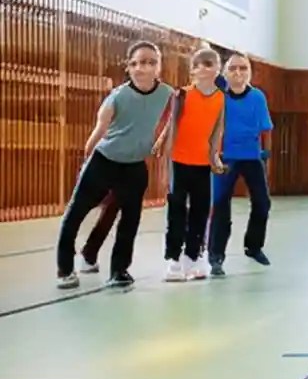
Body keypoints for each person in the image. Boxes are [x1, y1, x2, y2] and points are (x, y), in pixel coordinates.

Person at [55, 42, 173, 289]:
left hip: (134, 167)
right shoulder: (118, 97)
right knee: (76, 213)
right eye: (136, 63)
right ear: (128, 68)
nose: (143, 68)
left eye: (150, 62)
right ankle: (65, 269)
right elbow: (97, 134)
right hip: (104, 162)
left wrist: (160, 145)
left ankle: (119, 270)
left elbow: (173, 121)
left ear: (159, 67)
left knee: (129, 221)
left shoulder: (167, 94)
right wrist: (86, 164)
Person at [162, 48, 226, 282]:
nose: (205, 69)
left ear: (218, 69)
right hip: (179, 161)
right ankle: (174, 259)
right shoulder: (182, 94)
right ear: (193, 70)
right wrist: (167, 161)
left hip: (202, 164)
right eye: (200, 65)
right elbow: (172, 126)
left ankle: (193, 257)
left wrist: (214, 156)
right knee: (177, 210)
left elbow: (217, 129)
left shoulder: (220, 98)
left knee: (200, 211)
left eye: (210, 64)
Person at [208, 53, 274, 277]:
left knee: (262, 203)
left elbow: (266, 128)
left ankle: (253, 246)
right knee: (220, 204)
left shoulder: (257, 97)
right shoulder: (219, 96)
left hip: (252, 156)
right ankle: (216, 256)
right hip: (225, 157)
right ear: (225, 72)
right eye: (233, 68)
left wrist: (265, 155)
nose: (238, 72)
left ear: (249, 73)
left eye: (243, 68)